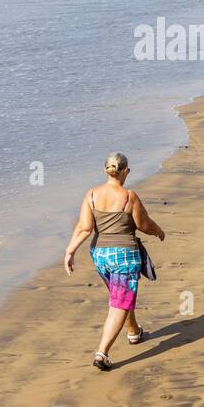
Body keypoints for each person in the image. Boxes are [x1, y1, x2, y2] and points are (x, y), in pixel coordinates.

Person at [63, 152, 165, 371]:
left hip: (100, 256)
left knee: (120, 295)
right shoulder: (129, 197)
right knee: (119, 303)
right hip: (124, 257)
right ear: (126, 171)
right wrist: (158, 231)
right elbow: (144, 224)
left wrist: (70, 251)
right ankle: (102, 353)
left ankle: (134, 332)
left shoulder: (91, 194)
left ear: (105, 170)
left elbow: (84, 228)